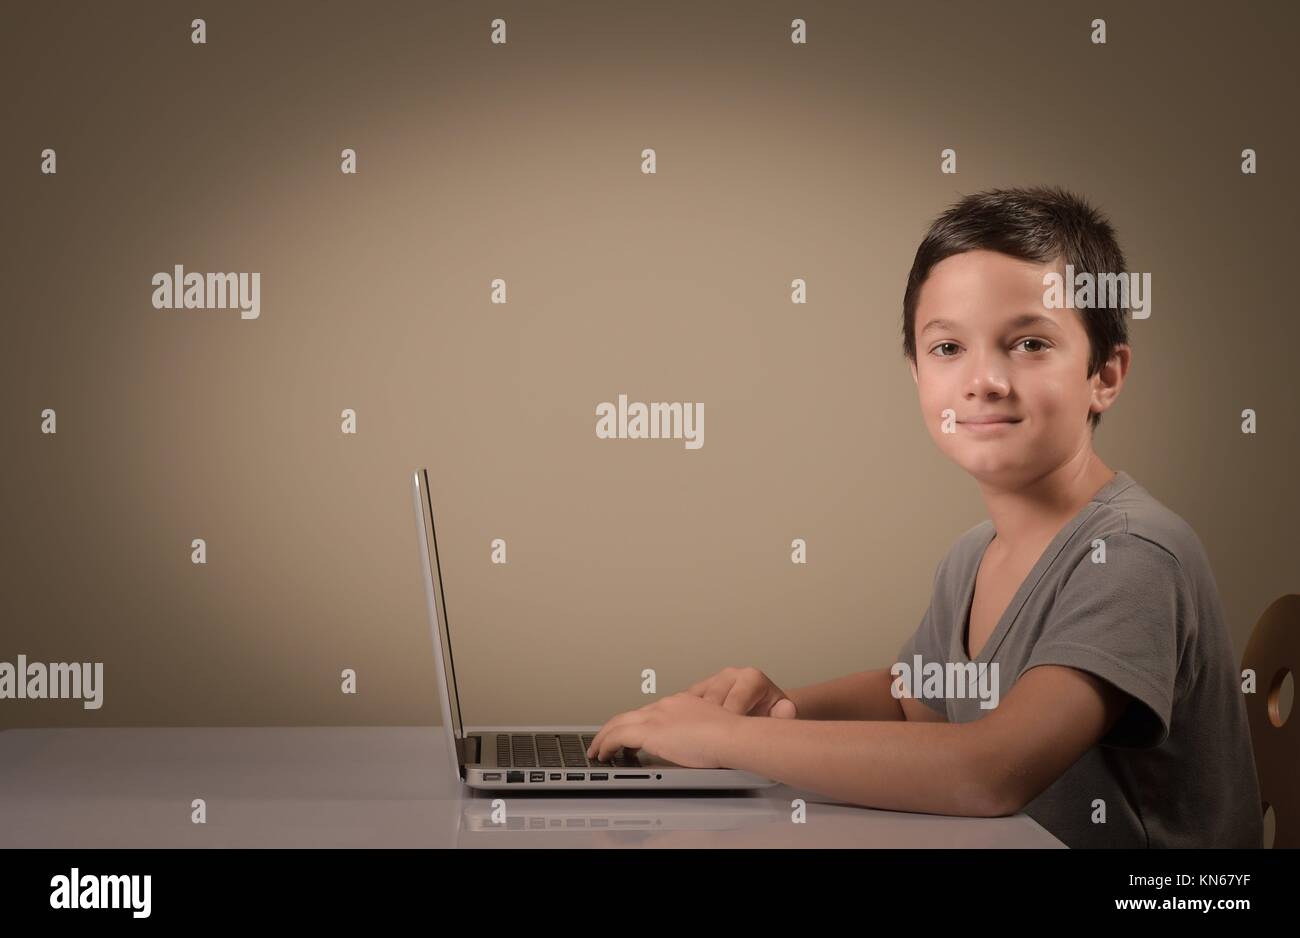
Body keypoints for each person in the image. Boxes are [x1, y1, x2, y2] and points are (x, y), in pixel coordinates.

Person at [586, 185, 1264, 848]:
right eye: (948, 349)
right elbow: (917, 701)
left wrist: (729, 741)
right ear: (916, 373)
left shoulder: (1134, 555)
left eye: (1029, 343)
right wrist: (782, 704)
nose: (984, 380)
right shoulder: (974, 555)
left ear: (1104, 376)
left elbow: (988, 773)